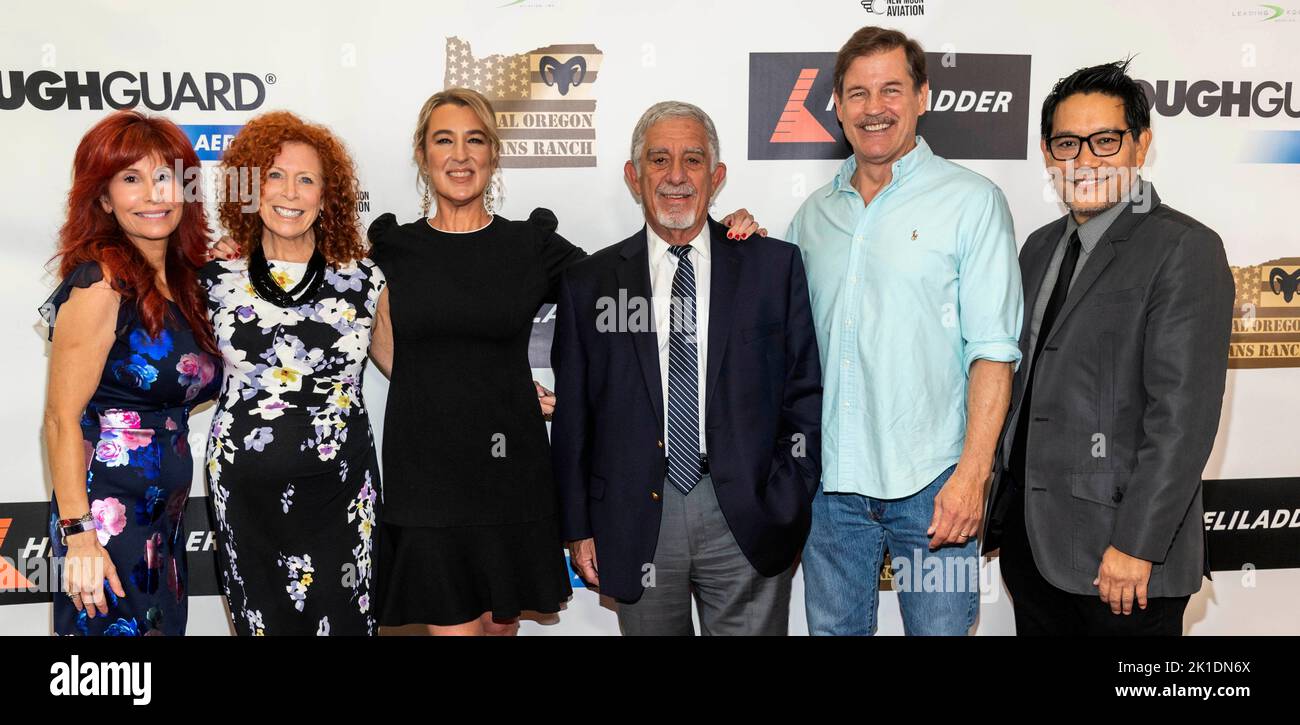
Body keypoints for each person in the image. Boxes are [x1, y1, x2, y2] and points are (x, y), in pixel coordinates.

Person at [551, 101, 823, 635]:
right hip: (636, 519)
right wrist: (579, 526)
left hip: (747, 514)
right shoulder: (590, 283)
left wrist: (786, 501)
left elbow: (804, 395)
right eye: (659, 160)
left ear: (716, 176)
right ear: (634, 177)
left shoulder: (772, 266)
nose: (676, 176)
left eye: (693, 160)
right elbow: (575, 417)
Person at [983, 60, 1234, 636]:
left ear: (1141, 146)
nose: (1085, 160)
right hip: (1034, 548)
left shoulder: (1183, 248)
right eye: (1068, 143)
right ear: (1048, 155)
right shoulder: (1039, 248)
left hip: (1120, 562)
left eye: (1105, 141)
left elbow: (1181, 419)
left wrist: (1136, 546)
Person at [788, 26, 1023, 636]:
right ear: (836, 106)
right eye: (858, 93)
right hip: (831, 493)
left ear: (923, 96)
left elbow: (994, 353)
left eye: (892, 89)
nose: (875, 108)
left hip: (936, 486)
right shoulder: (811, 217)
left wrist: (972, 477)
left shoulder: (973, 202)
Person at [201, 111, 387, 636]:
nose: (289, 191)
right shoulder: (215, 277)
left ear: (327, 197)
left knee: (347, 619)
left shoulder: (365, 278)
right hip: (245, 491)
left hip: (340, 491)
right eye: (273, 176)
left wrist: (500, 389)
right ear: (251, 188)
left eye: (306, 179)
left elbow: (407, 366)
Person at [42, 110, 221, 636]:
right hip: (102, 520)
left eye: (164, 176)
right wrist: (79, 537)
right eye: (130, 179)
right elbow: (59, 420)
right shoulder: (101, 282)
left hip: (162, 524)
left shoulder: (187, 285)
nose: (153, 194)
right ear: (103, 198)